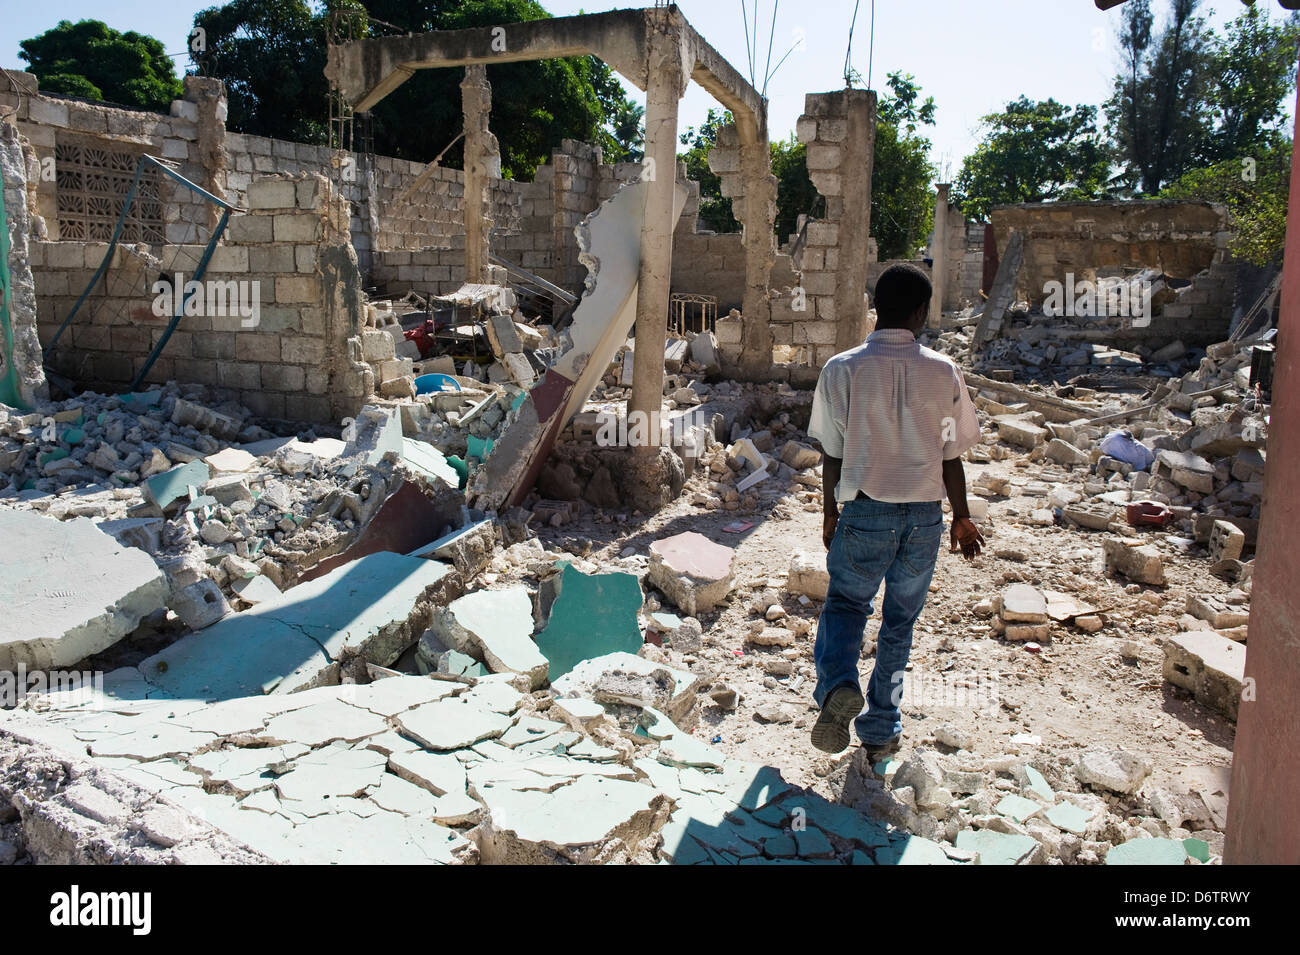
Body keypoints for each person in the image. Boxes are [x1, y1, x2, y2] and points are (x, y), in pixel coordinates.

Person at [807, 262, 985, 763]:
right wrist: (962, 515)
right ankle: (882, 729)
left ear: (875, 307)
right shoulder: (944, 371)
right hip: (924, 518)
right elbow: (952, 455)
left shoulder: (842, 368)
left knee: (846, 605)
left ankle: (839, 686)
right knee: (899, 623)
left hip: (865, 510)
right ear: (922, 311)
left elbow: (833, 452)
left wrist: (829, 510)